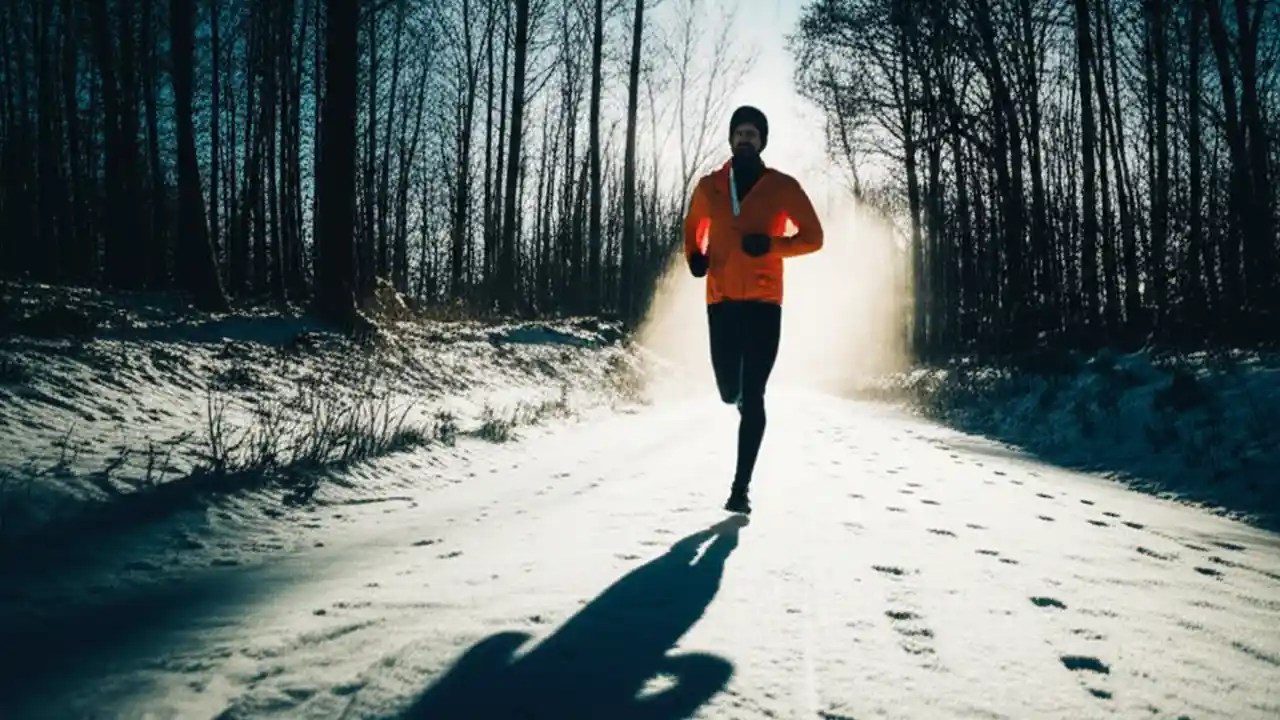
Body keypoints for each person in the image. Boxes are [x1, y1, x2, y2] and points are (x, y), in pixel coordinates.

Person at [682, 105, 824, 514]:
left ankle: (739, 489)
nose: (745, 138)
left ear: (762, 141)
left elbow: (814, 237)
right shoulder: (709, 186)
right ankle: (739, 397)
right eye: (739, 132)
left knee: (756, 395)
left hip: (764, 304)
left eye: (752, 133)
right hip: (721, 300)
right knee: (730, 391)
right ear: (731, 139)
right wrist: (695, 256)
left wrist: (774, 246)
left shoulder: (782, 187)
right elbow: (693, 229)